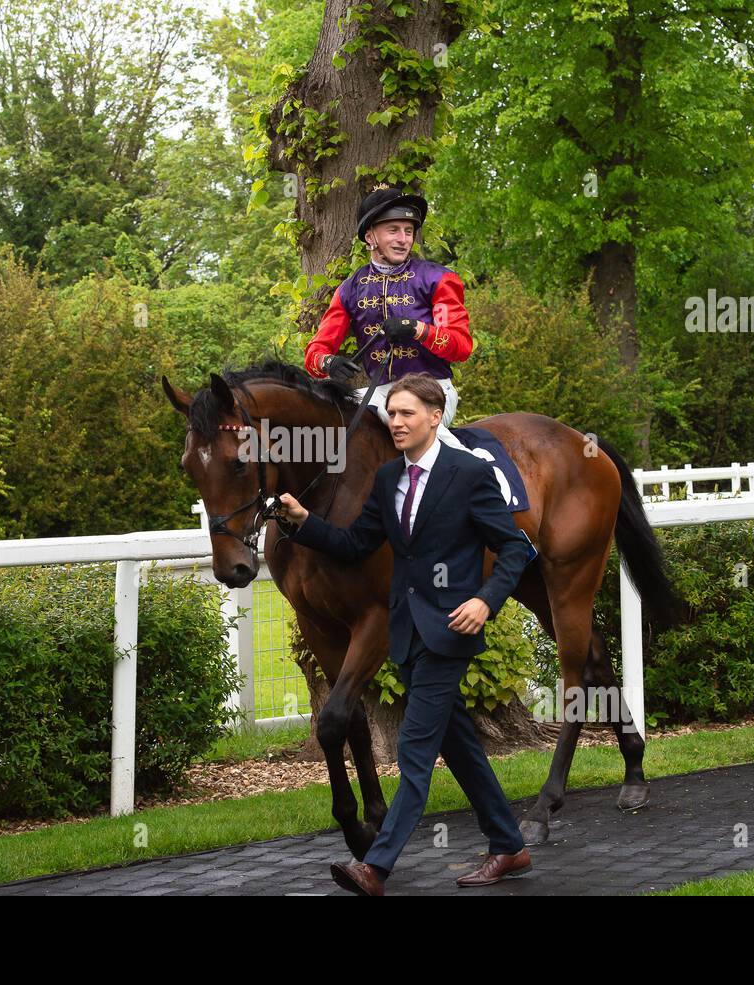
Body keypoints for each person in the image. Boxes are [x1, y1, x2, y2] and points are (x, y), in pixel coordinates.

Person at [276, 373, 535, 896]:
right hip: (406, 633)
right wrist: (303, 521)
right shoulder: (389, 476)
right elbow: (355, 544)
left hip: (450, 630)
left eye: (407, 413)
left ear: (435, 417)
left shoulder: (468, 473)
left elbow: (515, 548)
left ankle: (376, 866)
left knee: (415, 752)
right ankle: (509, 845)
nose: (395, 422)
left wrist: (485, 600)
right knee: (456, 742)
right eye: (391, 413)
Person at [305, 185, 516, 506]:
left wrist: (418, 329)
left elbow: (460, 346)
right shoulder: (350, 289)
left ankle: (492, 498)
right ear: (370, 237)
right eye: (393, 231)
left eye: (408, 231)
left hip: (433, 390)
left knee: (404, 416)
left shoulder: (439, 279)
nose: (404, 239)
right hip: (378, 393)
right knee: (332, 420)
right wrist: (329, 364)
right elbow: (315, 352)